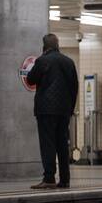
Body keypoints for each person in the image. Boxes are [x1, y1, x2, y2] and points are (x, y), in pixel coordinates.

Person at [26, 33, 78, 189]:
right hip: (64, 110)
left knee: (48, 143)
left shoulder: (43, 60)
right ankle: (65, 179)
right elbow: (74, 87)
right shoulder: (69, 62)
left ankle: (49, 178)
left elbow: (30, 79)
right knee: (62, 144)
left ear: (44, 46)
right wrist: (70, 109)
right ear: (57, 45)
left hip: (46, 110)